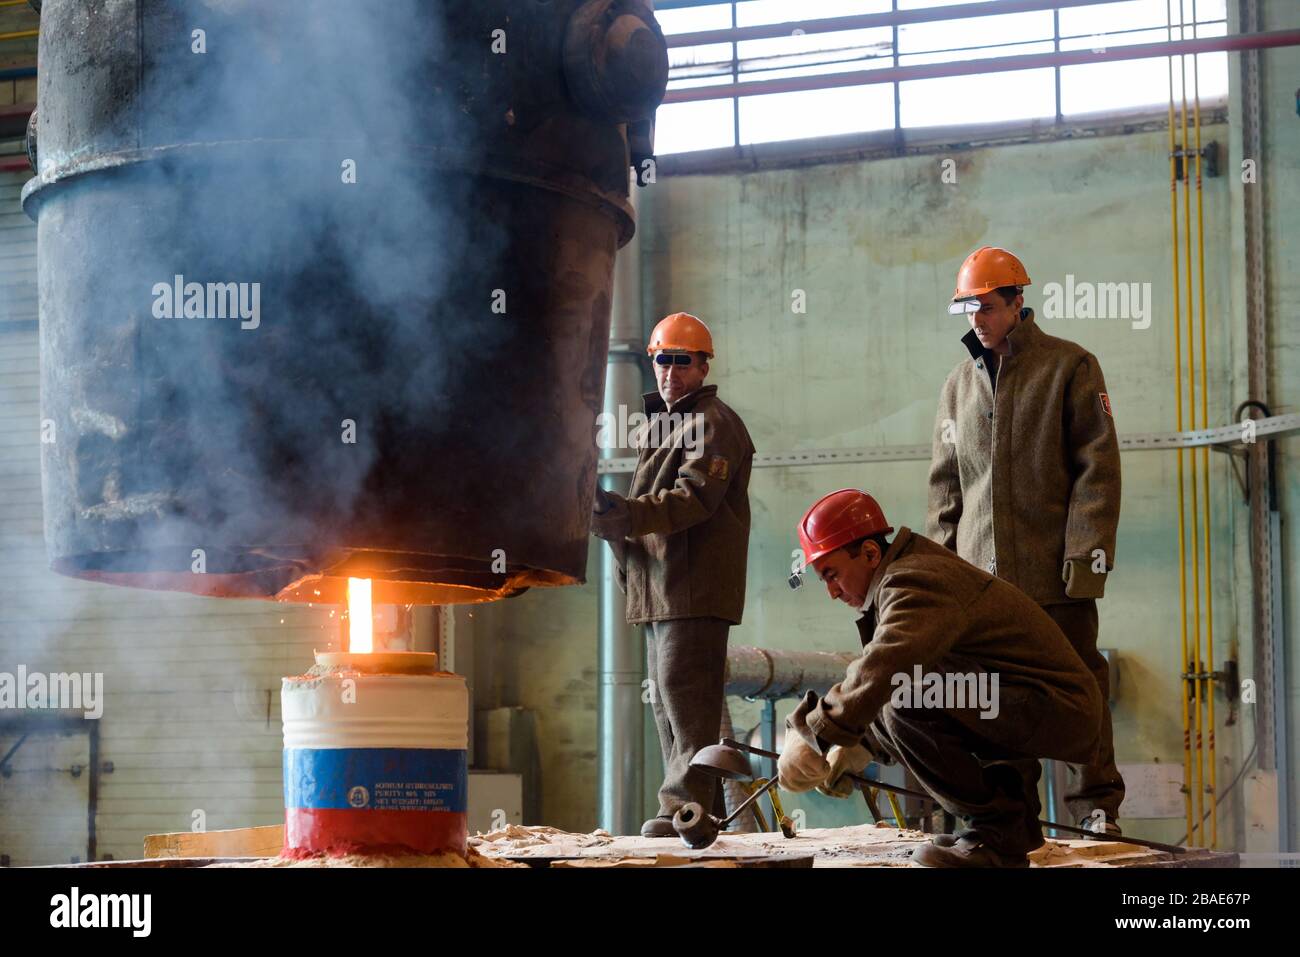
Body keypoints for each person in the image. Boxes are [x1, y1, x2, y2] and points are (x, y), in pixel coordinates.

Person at [778, 488, 1102, 867]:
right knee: (905, 694)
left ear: (869, 553)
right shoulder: (909, 575)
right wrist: (861, 743)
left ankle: (998, 839)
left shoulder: (916, 580)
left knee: (906, 700)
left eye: (832, 574)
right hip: (1025, 699)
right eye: (823, 580)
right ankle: (1001, 830)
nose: (832, 592)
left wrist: (817, 731)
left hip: (1055, 707)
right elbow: (895, 670)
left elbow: (886, 662)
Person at [927, 246, 1125, 833]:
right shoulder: (957, 387)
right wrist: (940, 580)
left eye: (985, 307)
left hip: (1052, 578)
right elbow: (945, 489)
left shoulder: (1070, 367)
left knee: (1080, 687)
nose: (976, 320)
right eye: (967, 310)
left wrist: (1085, 562)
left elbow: (1099, 468)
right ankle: (1015, 820)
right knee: (994, 703)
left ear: (1017, 302)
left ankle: (1095, 808)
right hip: (980, 587)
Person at [590, 312, 755, 838]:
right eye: (663, 359)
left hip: (694, 587)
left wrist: (627, 515)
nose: (671, 371)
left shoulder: (713, 423)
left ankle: (690, 805)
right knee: (665, 697)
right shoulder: (664, 426)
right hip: (662, 587)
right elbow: (649, 512)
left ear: (704, 365)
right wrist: (615, 525)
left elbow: (694, 500)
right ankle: (680, 807)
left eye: (683, 361)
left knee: (685, 697)